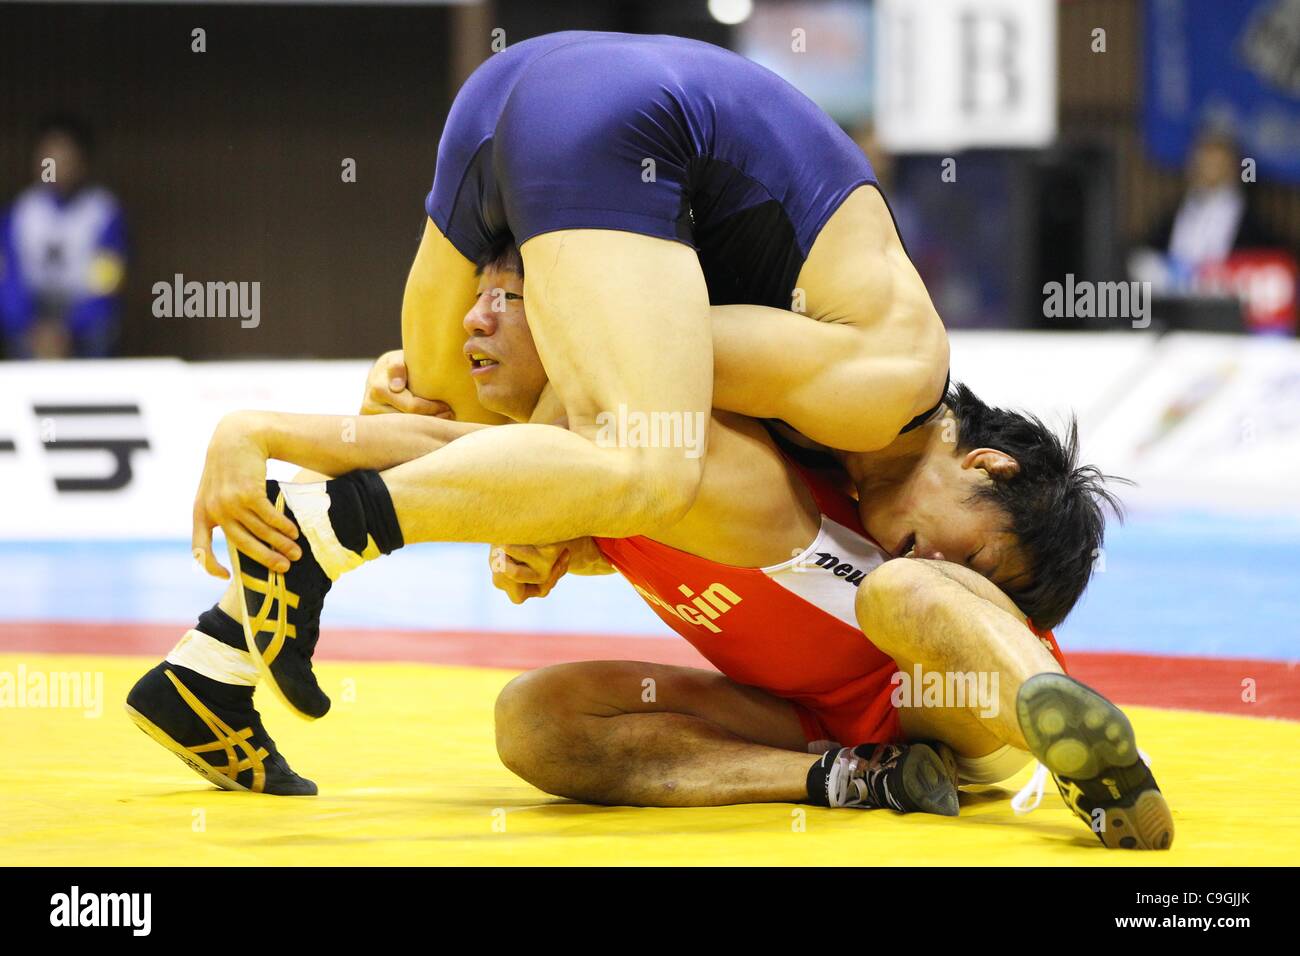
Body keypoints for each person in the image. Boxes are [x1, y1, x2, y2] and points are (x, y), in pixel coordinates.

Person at [127, 240, 1172, 848]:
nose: (477, 326)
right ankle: (848, 779)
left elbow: (435, 451)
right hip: (814, 716)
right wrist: (252, 427)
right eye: (479, 301)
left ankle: (1088, 759)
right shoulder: (559, 452)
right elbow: (441, 448)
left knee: (899, 594)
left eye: (509, 302)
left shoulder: (836, 428)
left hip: (949, 705)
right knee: (535, 721)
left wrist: (272, 438)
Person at [190, 30, 950, 587]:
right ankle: (319, 523)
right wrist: (555, 514)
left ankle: (221, 641)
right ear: (990, 467)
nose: (949, 571)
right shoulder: (893, 388)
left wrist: (563, 532)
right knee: (644, 457)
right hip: (614, 118)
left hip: (505, 98)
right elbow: (665, 352)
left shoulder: (832, 446)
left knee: (457, 414)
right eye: (981, 559)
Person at [0, 114, 127, 358]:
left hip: (81, 319)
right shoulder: (19, 213)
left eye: (66, 158)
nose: (57, 166)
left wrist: (68, 330)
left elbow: (106, 285)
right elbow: (8, 281)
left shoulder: (104, 213)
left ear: (83, 162)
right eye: (50, 158)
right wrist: (31, 327)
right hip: (33, 317)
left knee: (102, 328)